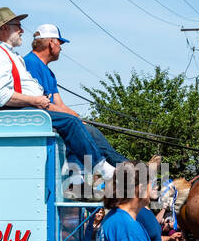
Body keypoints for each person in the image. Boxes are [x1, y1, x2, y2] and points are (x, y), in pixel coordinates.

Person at [0, 7, 125, 188]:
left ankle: (79, 180)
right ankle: (103, 171)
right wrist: (35, 100)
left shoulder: (13, 56)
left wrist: (37, 98)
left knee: (72, 124)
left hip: (22, 110)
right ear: (5, 28)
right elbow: (1, 96)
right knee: (71, 123)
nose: (22, 30)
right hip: (10, 112)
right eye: (18, 26)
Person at [24, 23, 130, 173]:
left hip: (57, 119)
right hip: (42, 119)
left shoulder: (49, 72)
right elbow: (40, 103)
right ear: (51, 43)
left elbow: (60, 104)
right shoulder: (30, 63)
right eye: (60, 43)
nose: (61, 47)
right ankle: (128, 169)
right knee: (87, 131)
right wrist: (74, 119)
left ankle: (116, 170)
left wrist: (77, 117)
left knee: (87, 129)